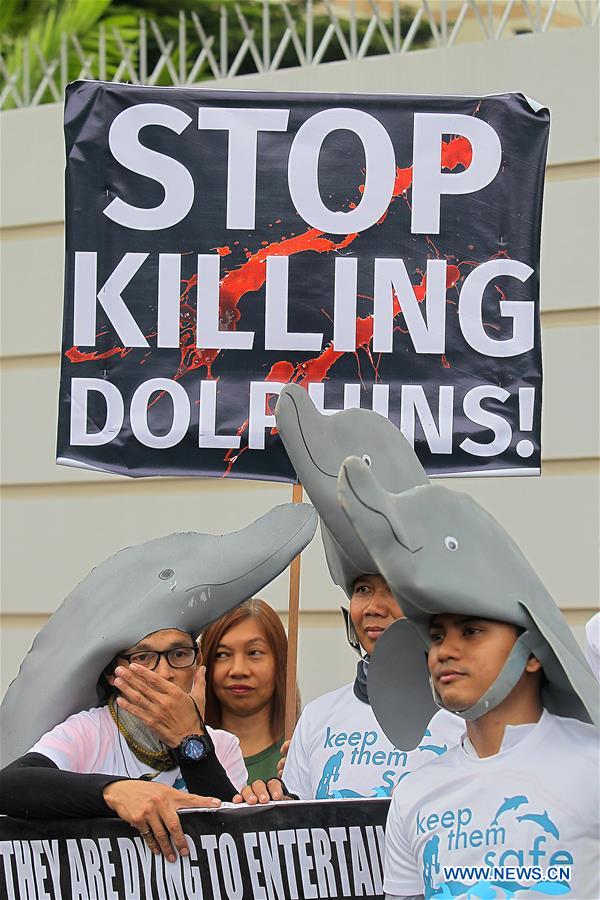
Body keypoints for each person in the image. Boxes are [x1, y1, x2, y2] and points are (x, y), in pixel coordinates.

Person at [335, 448, 599, 899]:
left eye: (472, 631)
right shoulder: (415, 792)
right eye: (436, 636)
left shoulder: (592, 767)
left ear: (533, 651)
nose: (445, 651)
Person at [0, 504, 318, 860]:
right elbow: (11, 783)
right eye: (143, 658)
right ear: (114, 672)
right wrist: (115, 792)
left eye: (179, 655)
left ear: (197, 664)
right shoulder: (90, 730)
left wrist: (189, 742)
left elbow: (226, 844)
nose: (164, 672)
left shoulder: (221, 746)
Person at [275, 384, 463, 799]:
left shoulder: (468, 717)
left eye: (391, 588)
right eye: (361, 589)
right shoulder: (318, 719)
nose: (373, 608)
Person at [200, 598, 298, 784]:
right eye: (222, 654)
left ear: (281, 661)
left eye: (254, 653)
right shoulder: (188, 755)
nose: (238, 670)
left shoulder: (301, 755)